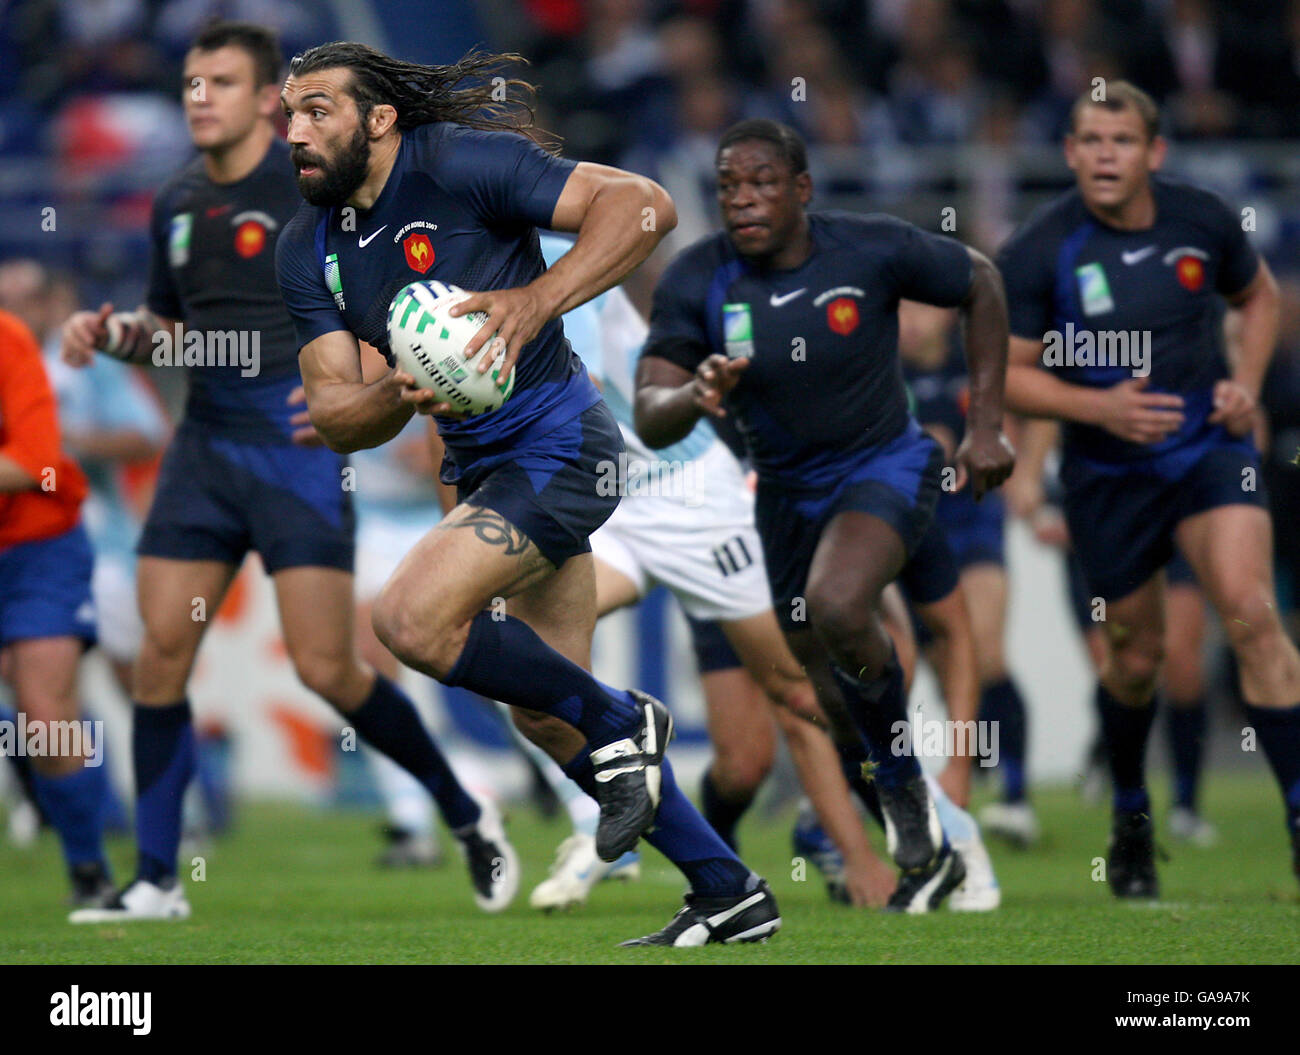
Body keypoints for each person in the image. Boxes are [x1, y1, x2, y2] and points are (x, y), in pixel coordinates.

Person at [275, 41, 780, 947]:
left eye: (318, 111)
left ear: (379, 120)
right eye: (289, 116)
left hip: (561, 444)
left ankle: (629, 716)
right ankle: (727, 886)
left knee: (409, 622)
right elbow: (335, 412)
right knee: (546, 712)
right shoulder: (305, 249)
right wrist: (395, 389)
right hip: (473, 465)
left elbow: (646, 206)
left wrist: (534, 301)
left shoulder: (463, 163)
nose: (296, 133)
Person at [61, 21, 511, 923]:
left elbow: (393, 298)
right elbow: (173, 328)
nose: (198, 97)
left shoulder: (313, 188)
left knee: (328, 669)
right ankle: (154, 879)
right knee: (159, 658)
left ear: (269, 99)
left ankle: (462, 811)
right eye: (191, 82)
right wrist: (117, 335)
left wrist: (381, 380)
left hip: (298, 449)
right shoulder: (176, 200)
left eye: (220, 82)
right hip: (203, 451)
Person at [634, 118, 1015, 904]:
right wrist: (691, 395)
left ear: (802, 189)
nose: (742, 199)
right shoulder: (696, 279)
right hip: (782, 493)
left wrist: (984, 426)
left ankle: (908, 796)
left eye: (761, 182)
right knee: (828, 695)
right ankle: (909, 825)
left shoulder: (869, 248)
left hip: (888, 463)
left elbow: (980, 279)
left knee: (843, 604)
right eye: (729, 186)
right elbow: (648, 410)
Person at [998, 80, 1300, 897]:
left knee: (1251, 611)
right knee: (1136, 662)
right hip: (1107, 477)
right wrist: (1097, 405)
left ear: (1154, 154)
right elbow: (1010, 379)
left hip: (1207, 450)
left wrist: (1243, 382)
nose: (1105, 155)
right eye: (1090, 140)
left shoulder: (1202, 220)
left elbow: (1261, 296)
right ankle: (1132, 814)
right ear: (1068, 153)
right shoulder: (1037, 250)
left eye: (1121, 141)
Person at [0, 306, 111, 906]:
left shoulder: (7, 339)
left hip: (36, 543)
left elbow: (37, 462)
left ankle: (87, 869)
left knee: (43, 718)